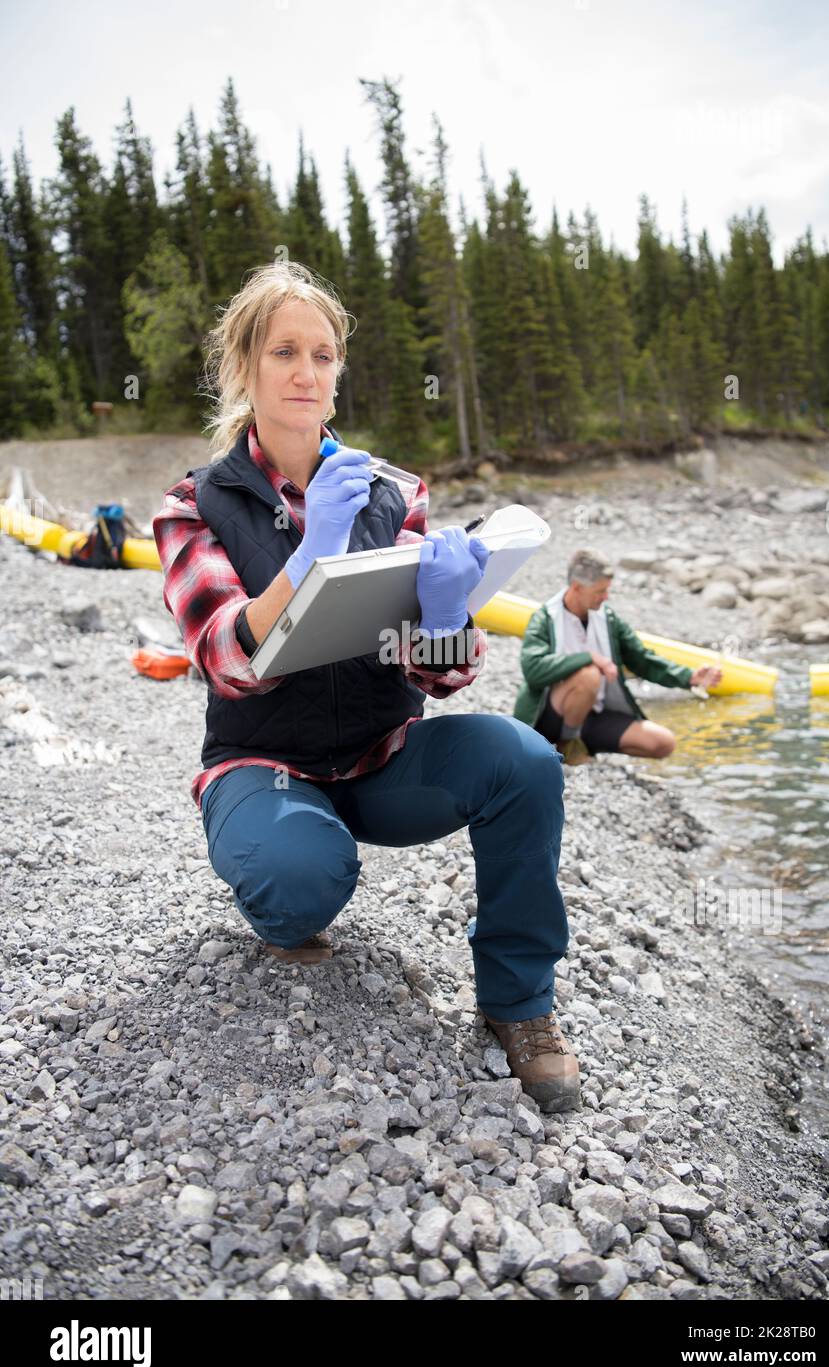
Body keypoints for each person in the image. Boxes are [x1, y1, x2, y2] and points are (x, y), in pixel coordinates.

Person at [152, 261, 581, 1112]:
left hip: (385, 759)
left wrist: (448, 609)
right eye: (284, 352)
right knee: (302, 878)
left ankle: (519, 1004)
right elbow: (221, 657)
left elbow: (441, 676)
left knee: (526, 761)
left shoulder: (397, 492)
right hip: (264, 763)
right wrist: (310, 561)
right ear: (245, 368)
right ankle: (288, 885)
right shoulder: (197, 502)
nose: (307, 372)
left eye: (323, 353)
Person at [513, 548, 722, 764]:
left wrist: (688, 677)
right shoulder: (545, 618)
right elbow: (533, 670)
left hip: (594, 717)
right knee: (589, 675)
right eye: (599, 591)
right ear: (577, 587)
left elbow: (642, 659)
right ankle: (567, 745)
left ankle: (584, 746)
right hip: (549, 719)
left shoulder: (608, 619)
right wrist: (590, 657)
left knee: (663, 743)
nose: (606, 597)